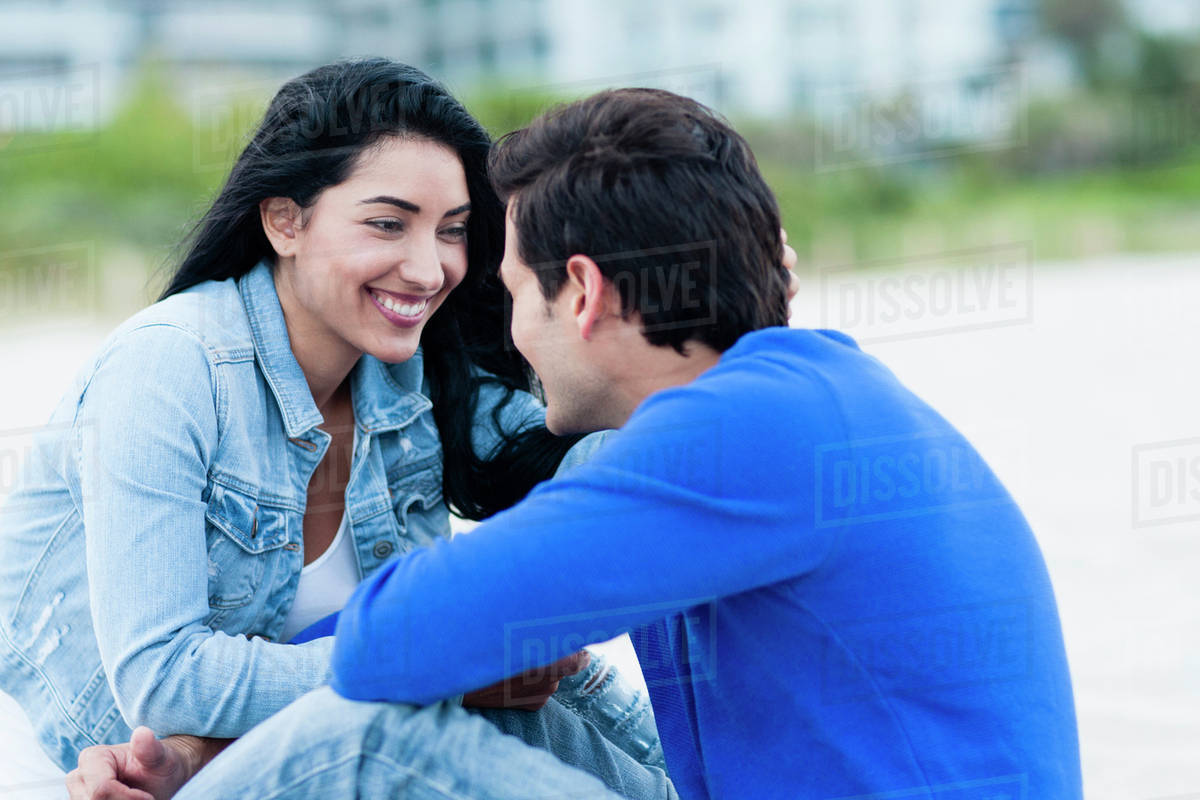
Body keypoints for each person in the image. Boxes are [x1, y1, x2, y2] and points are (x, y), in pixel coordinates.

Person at [168, 88, 1085, 799]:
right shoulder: (799, 403)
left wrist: (205, 752)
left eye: (515, 296)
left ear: (585, 292)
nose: (514, 337)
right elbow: (455, 622)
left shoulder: (740, 434)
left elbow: (391, 640)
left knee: (369, 746)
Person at [0, 59, 672, 800]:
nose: (428, 269)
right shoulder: (170, 366)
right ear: (284, 220)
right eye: (388, 224)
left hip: (297, 755)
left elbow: (609, 468)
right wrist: (441, 663)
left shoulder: (408, 375)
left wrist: (724, 340)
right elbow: (164, 682)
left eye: (452, 231)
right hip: (101, 776)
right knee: (428, 710)